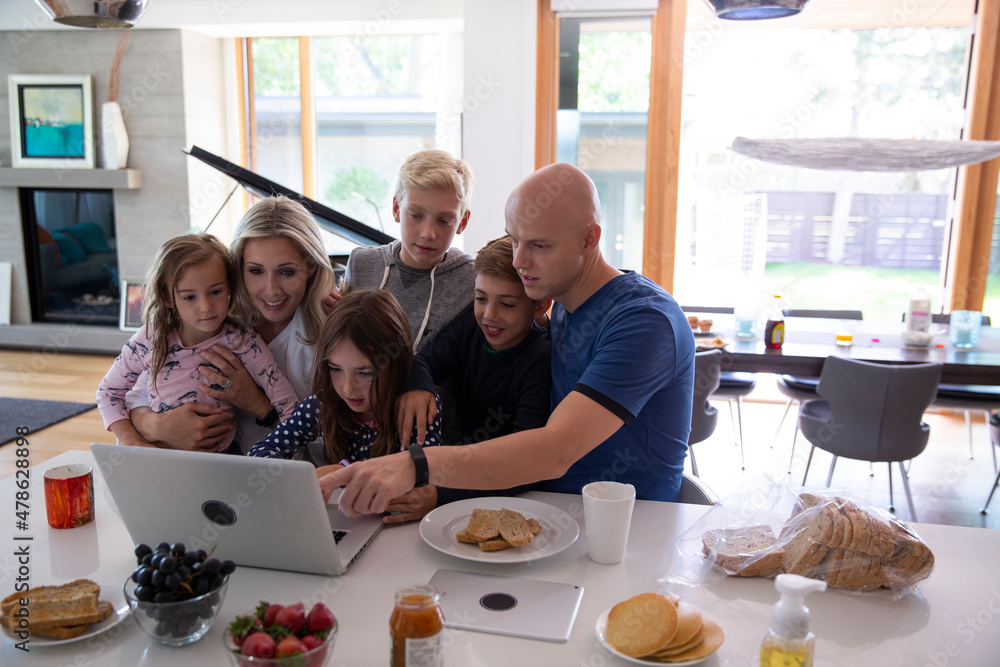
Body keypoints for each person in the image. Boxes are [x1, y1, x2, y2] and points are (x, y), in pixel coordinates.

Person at [320, 163, 695, 511]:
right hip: (545, 508)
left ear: (589, 239)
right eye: (514, 240)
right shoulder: (560, 303)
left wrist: (416, 465)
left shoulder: (644, 320)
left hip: (629, 524)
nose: (519, 260)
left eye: (539, 246)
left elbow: (554, 451)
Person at [125, 196, 336, 453]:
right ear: (237, 269)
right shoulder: (212, 321)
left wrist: (259, 405)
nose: (271, 291)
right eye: (256, 271)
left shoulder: (329, 336)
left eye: (287, 272)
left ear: (311, 266)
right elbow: (134, 393)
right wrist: (157, 426)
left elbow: (328, 447)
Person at [385, 235, 553, 522]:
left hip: (504, 495)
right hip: (454, 471)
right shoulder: (470, 328)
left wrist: (443, 496)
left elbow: (527, 468)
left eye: (508, 304)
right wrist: (416, 384)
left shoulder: (540, 361)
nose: (489, 315)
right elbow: (423, 360)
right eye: (481, 298)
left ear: (540, 305)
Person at [97, 233, 299, 452]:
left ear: (229, 288)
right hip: (158, 456)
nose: (206, 307)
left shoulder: (243, 341)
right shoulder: (150, 339)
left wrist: (289, 458)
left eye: (215, 292)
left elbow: (287, 404)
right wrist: (133, 443)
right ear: (167, 298)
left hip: (223, 459)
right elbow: (108, 393)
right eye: (190, 297)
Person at [248, 290, 443, 476]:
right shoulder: (321, 405)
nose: (349, 388)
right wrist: (303, 479)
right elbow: (261, 453)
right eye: (335, 369)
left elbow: (422, 476)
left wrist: (346, 473)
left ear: (395, 364)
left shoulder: (416, 407)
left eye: (365, 372)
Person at [344, 149, 475, 351]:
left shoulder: (472, 281)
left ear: (462, 222)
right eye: (415, 215)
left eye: (444, 221)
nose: (428, 234)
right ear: (396, 209)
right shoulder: (360, 265)